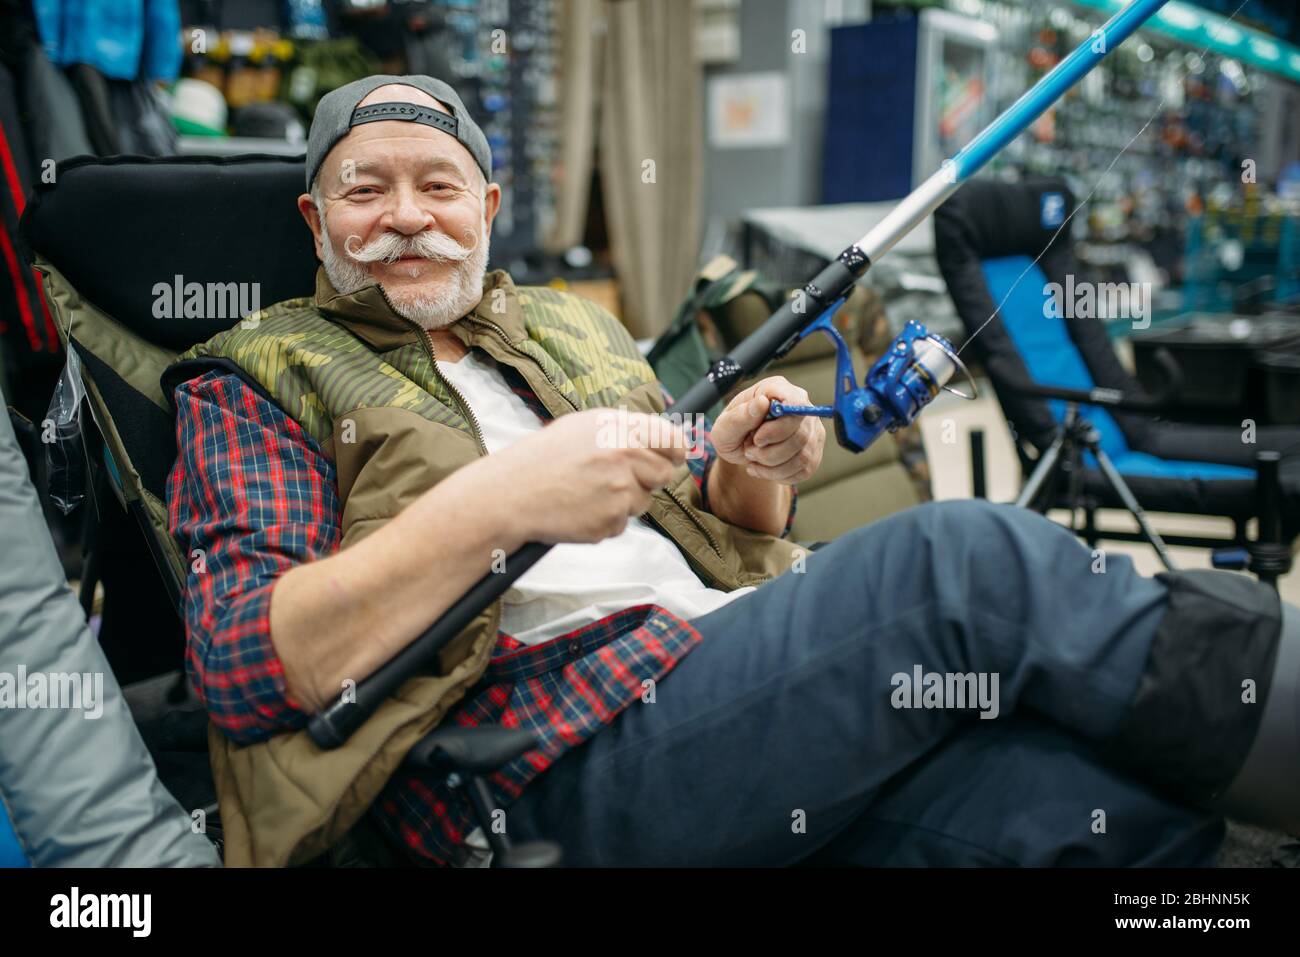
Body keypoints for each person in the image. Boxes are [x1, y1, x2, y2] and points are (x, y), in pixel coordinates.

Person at [165, 75, 1298, 868]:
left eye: (439, 185)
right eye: (366, 189)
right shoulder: (258, 378)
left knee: (1079, 815)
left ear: (488, 210)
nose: (406, 217)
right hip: (538, 762)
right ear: (316, 216)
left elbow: (718, 539)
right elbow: (248, 666)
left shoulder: (567, 330)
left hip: (724, 682)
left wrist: (746, 481)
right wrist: (501, 503)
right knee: (967, 562)